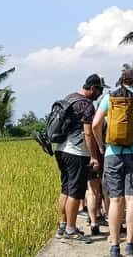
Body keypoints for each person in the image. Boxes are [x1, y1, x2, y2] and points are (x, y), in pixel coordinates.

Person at [92, 69, 133, 257]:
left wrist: (102, 146)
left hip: (113, 153)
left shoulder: (109, 97)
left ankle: (114, 246)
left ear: (121, 80)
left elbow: (95, 124)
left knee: (116, 200)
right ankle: (129, 245)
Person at [55, 74, 106, 244]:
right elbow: (88, 133)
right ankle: (70, 229)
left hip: (61, 150)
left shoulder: (69, 98)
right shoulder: (86, 105)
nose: (100, 94)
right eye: (99, 90)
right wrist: (94, 156)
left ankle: (63, 226)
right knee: (76, 192)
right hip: (76, 153)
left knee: (66, 189)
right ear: (92, 88)